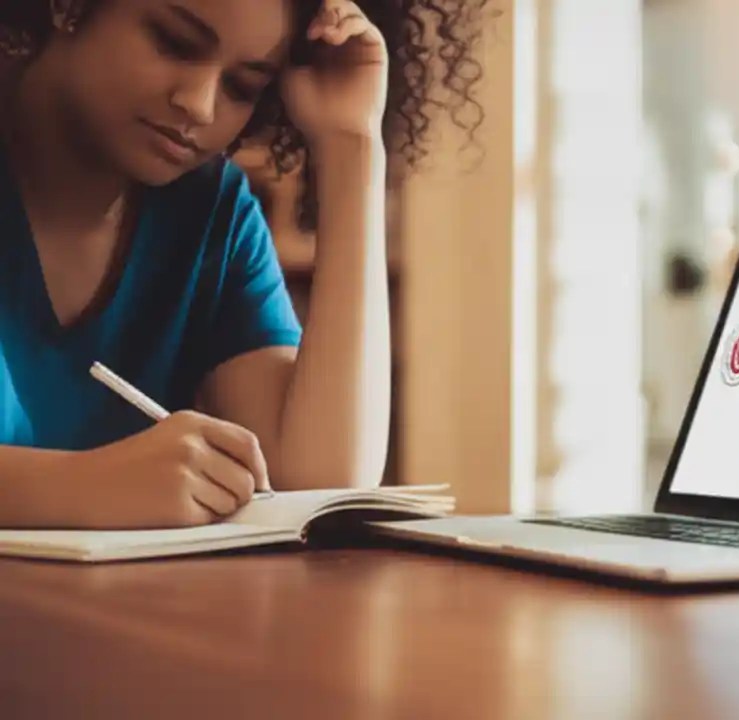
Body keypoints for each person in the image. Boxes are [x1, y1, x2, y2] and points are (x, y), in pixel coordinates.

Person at [0, 0, 487, 529]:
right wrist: (85, 486)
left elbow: (323, 483)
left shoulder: (210, 213)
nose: (201, 106)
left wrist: (352, 144)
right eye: (174, 42)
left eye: (244, 86)